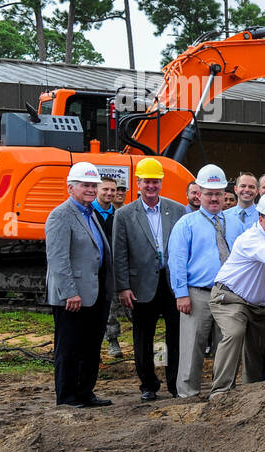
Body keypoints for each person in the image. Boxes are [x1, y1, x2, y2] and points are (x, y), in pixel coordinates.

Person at [208, 191, 265, 396]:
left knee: (255, 351)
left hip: (260, 305)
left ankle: (251, 394)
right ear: (261, 218)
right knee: (234, 333)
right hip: (230, 298)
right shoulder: (250, 238)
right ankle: (220, 392)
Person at [112, 157, 187, 401]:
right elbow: (119, 253)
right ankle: (148, 384)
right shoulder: (124, 215)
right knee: (143, 337)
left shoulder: (177, 210)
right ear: (138, 183)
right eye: (147, 182)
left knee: (175, 336)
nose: (151, 186)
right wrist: (123, 287)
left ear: (161, 183)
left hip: (172, 285)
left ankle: (175, 383)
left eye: (155, 182)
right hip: (141, 286)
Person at [45, 162, 114, 408]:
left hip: (94, 294)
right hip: (73, 297)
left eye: (93, 185)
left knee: (90, 347)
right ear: (70, 187)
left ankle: (85, 392)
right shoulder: (61, 215)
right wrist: (69, 293)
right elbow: (58, 259)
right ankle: (67, 396)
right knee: (69, 347)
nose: (91, 189)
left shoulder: (91, 213)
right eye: (85, 185)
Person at [168, 164, 238, 398]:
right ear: (199, 194)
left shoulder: (233, 222)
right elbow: (176, 261)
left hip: (228, 293)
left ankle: (222, 391)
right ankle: (188, 392)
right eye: (209, 193)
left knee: (225, 343)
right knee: (192, 344)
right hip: (197, 293)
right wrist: (181, 294)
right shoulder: (186, 223)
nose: (214, 198)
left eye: (218, 193)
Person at [92, 176, 128, 358]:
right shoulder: (90, 214)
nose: (111, 193)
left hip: (119, 268)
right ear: (97, 190)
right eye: (105, 189)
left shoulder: (119, 215)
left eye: (113, 190)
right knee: (105, 311)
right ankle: (110, 341)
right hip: (99, 272)